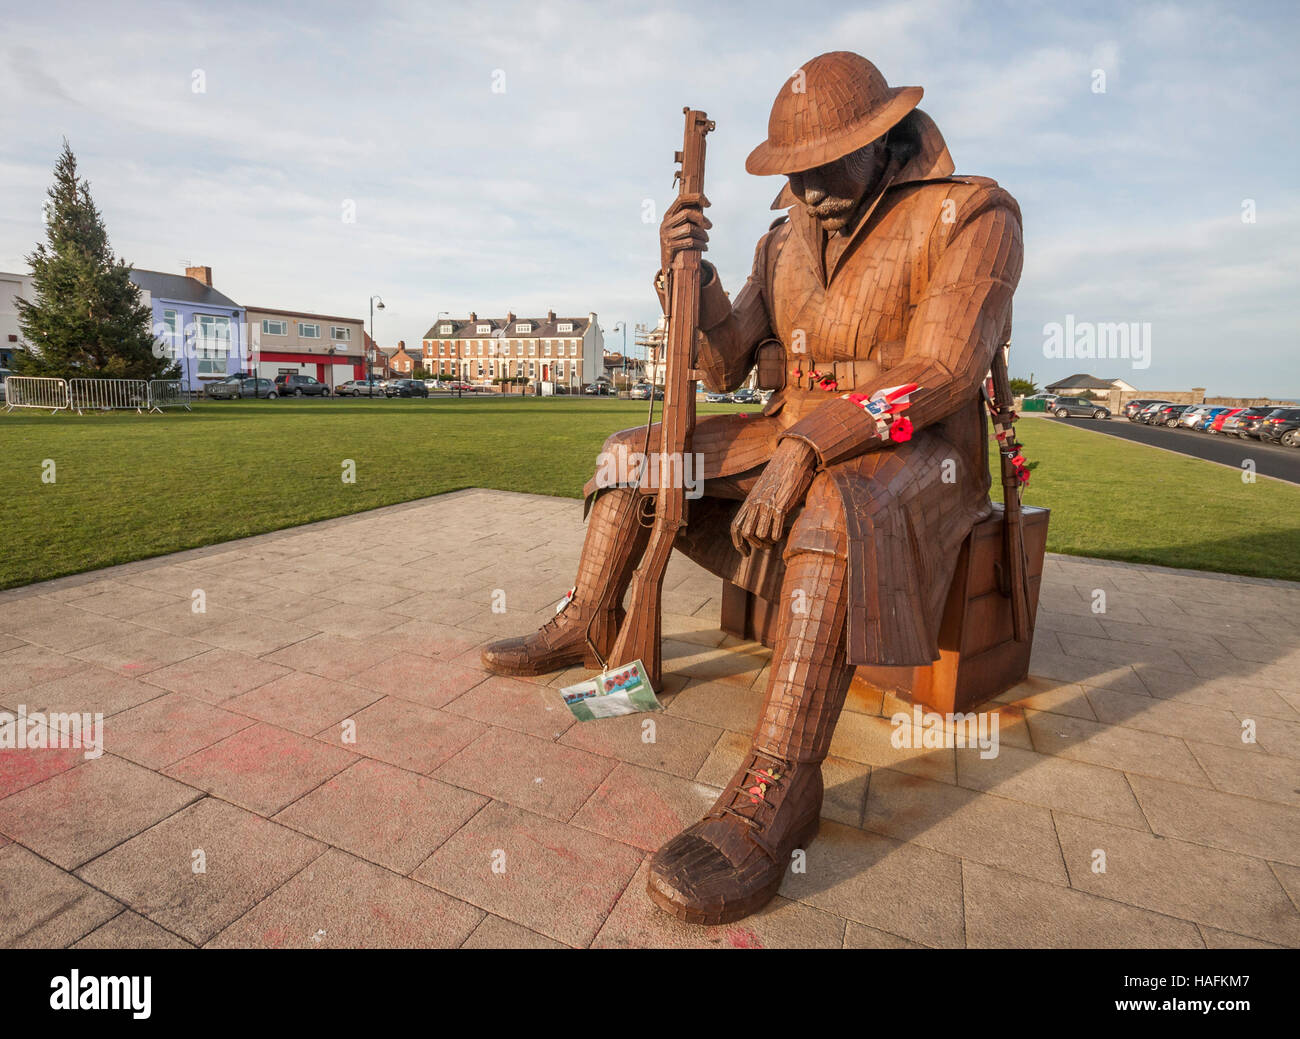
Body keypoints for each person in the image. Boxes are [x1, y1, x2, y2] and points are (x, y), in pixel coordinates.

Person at [481, 51, 1024, 924]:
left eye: (824, 167)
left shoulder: (972, 212)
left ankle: (780, 779)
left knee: (840, 511)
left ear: (883, 140)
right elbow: (723, 357)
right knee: (634, 452)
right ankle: (590, 618)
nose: (807, 191)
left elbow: (945, 369)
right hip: (791, 427)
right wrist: (682, 279)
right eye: (794, 174)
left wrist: (812, 444)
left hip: (921, 451)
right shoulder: (783, 242)